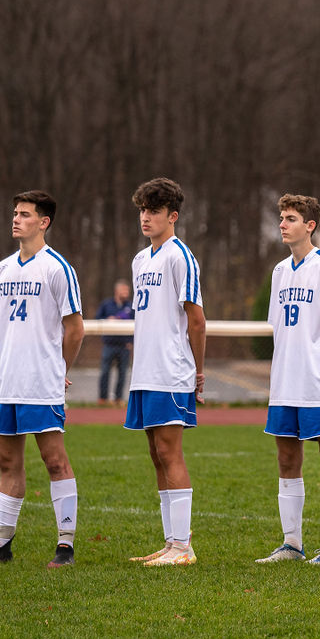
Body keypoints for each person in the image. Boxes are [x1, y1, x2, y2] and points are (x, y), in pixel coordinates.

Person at [0, 190, 85, 568]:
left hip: (41, 382)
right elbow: (7, 326)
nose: (16, 219)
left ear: (44, 222)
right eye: (15, 213)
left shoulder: (57, 268)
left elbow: (75, 328)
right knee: (6, 461)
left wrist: (60, 369)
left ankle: (65, 546)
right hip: (7, 383)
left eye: (25, 214)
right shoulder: (2, 269)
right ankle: (0, 544)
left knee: (54, 460)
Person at [255, 195, 320, 566]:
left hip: (318, 383)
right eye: (281, 218)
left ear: (310, 225)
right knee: (286, 459)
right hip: (285, 383)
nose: (282, 224)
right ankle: (291, 544)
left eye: (291, 218)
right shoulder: (280, 271)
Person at [123, 177, 207, 567]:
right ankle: (171, 542)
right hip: (145, 372)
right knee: (156, 454)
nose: (146, 217)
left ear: (172, 216)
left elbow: (197, 320)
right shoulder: (141, 260)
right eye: (142, 210)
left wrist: (198, 370)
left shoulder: (180, 257)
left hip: (171, 371)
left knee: (170, 452)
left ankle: (184, 548)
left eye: (154, 211)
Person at [95, 280, 134, 403]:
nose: (126, 292)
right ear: (117, 291)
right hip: (109, 344)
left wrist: (131, 342)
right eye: (124, 290)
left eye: (127, 290)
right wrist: (108, 319)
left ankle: (118, 399)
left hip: (124, 345)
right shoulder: (107, 304)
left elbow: (136, 324)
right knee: (105, 372)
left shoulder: (131, 306)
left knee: (122, 373)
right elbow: (97, 319)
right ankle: (103, 398)